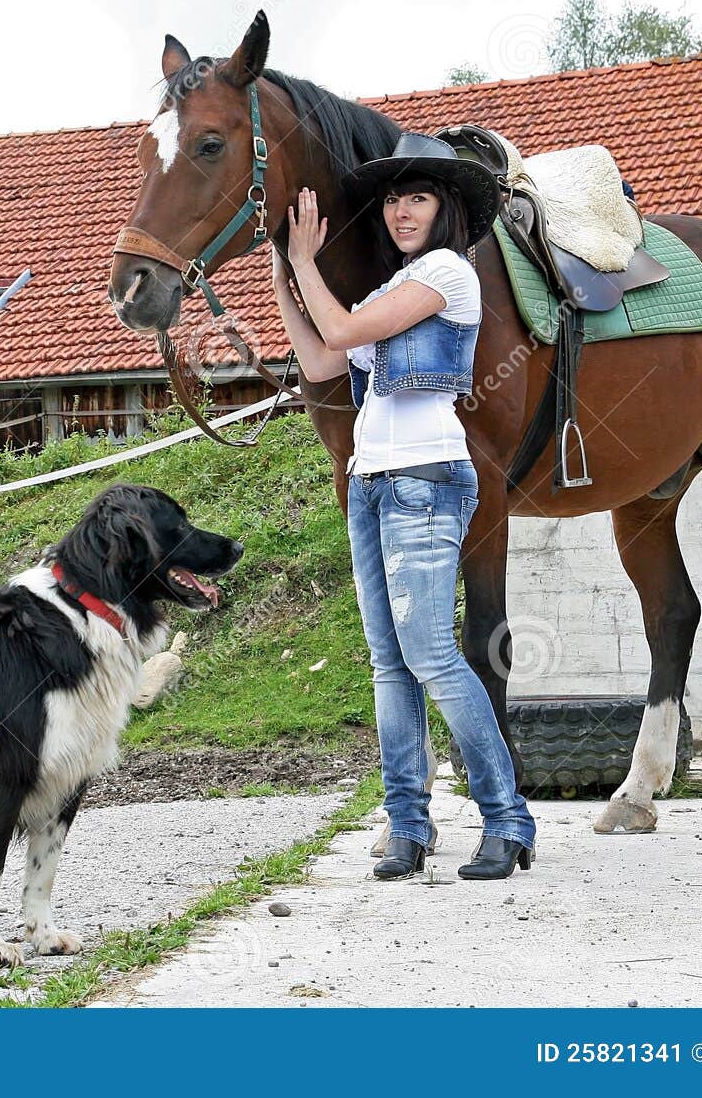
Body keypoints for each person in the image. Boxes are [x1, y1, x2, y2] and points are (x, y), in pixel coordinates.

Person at [270, 133, 536, 881]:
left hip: (426, 475)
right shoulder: (388, 292)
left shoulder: (450, 273)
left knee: (431, 656)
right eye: (391, 198)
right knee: (390, 663)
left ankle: (507, 818)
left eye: (417, 196)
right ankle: (408, 827)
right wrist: (285, 281)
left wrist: (302, 266)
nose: (400, 210)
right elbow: (324, 358)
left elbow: (346, 330)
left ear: (446, 206)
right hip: (371, 479)